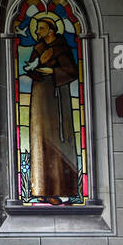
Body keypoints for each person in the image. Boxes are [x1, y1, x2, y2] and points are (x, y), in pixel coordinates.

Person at [23, 14, 80, 199]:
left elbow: (72, 71)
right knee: (39, 135)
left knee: (58, 136)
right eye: (37, 28)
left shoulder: (61, 47)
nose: (37, 32)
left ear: (50, 29)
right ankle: (41, 189)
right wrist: (33, 71)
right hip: (40, 94)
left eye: (40, 28)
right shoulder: (39, 47)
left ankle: (62, 189)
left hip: (57, 97)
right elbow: (31, 69)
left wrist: (53, 71)